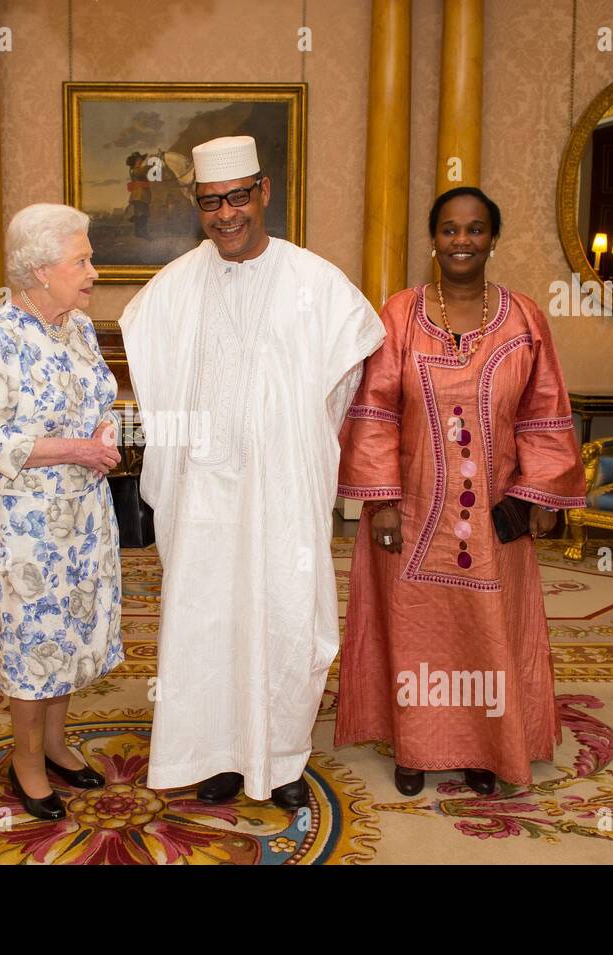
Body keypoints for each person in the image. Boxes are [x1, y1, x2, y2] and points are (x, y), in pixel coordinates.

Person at [120, 135, 385, 809]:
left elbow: (350, 367)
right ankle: (219, 753)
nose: (227, 214)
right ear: (196, 204)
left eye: (239, 197)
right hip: (204, 493)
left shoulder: (315, 283)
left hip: (281, 495)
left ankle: (284, 757)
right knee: (209, 622)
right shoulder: (174, 288)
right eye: (212, 202)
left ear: (264, 191)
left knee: (286, 616)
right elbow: (150, 367)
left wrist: (296, 439)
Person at [334, 186, 587, 796]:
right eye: (450, 230)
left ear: (493, 238)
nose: (462, 241)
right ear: (433, 240)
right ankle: (415, 748)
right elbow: (376, 408)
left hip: (497, 516)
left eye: (475, 230)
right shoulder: (399, 314)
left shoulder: (525, 318)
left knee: (485, 631)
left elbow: (544, 410)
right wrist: (384, 501)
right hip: (414, 513)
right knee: (415, 629)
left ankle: (484, 747)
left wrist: (536, 497)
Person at [0, 203, 124, 820]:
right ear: (38, 270)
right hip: (25, 526)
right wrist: (73, 448)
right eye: (80, 260)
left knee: (70, 631)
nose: (93, 271)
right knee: (33, 640)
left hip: (82, 514)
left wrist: (104, 428)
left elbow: (100, 394)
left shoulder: (77, 327)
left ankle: (56, 745)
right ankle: (26, 760)